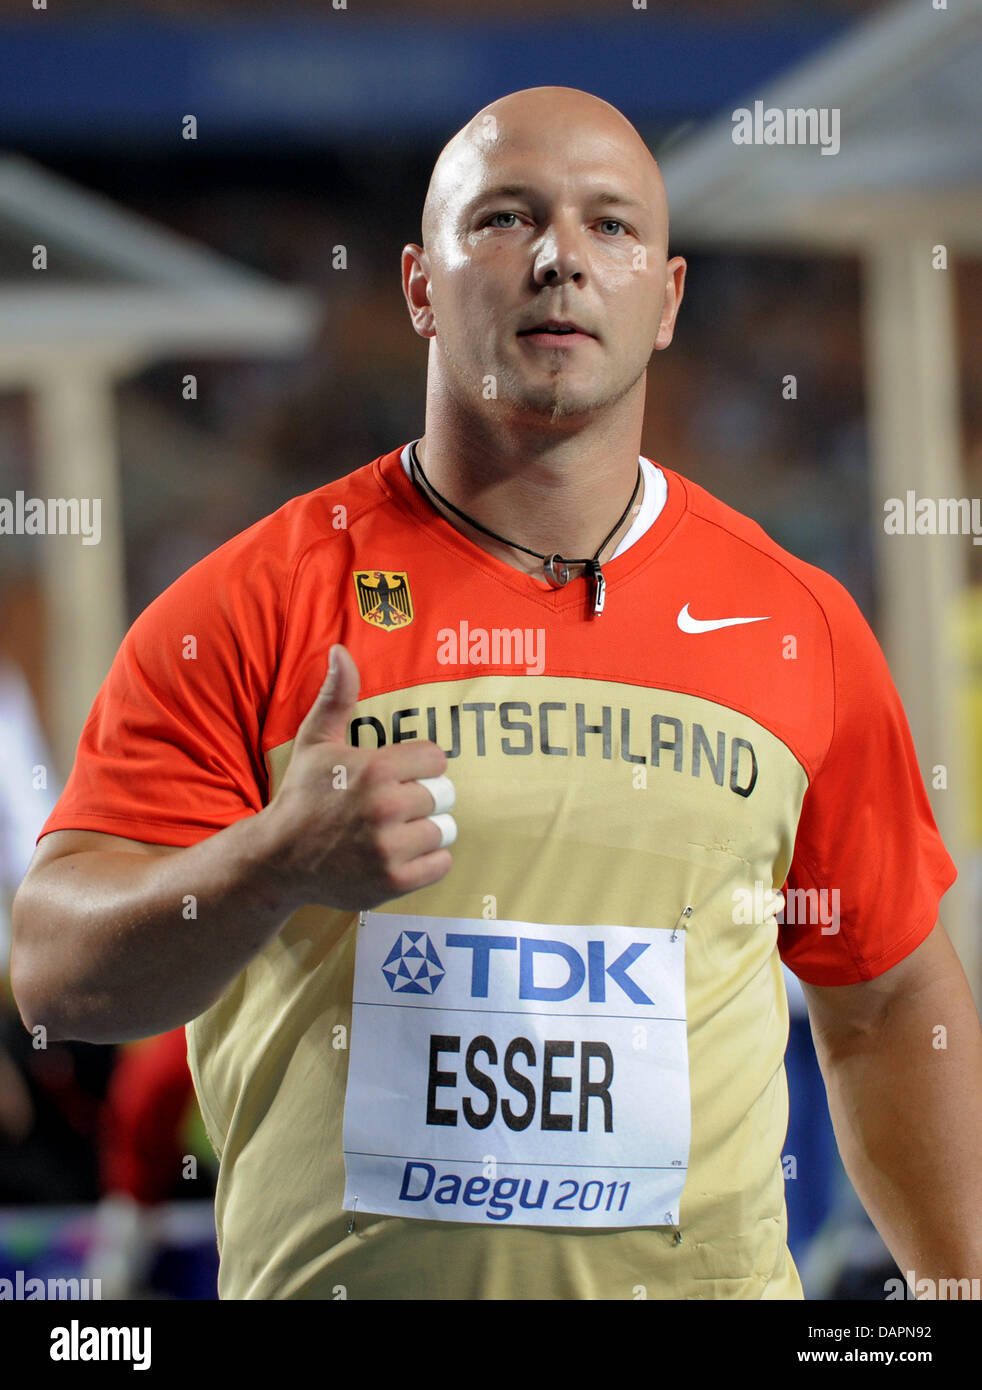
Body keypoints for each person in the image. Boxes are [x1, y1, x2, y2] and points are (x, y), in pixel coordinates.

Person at [10, 86, 982, 1301]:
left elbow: (889, 999)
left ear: (667, 299)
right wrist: (271, 862)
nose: (560, 258)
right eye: (507, 217)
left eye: (611, 227)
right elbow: (57, 975)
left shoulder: (799, 625)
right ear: (420, 284)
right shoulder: (246, 607)